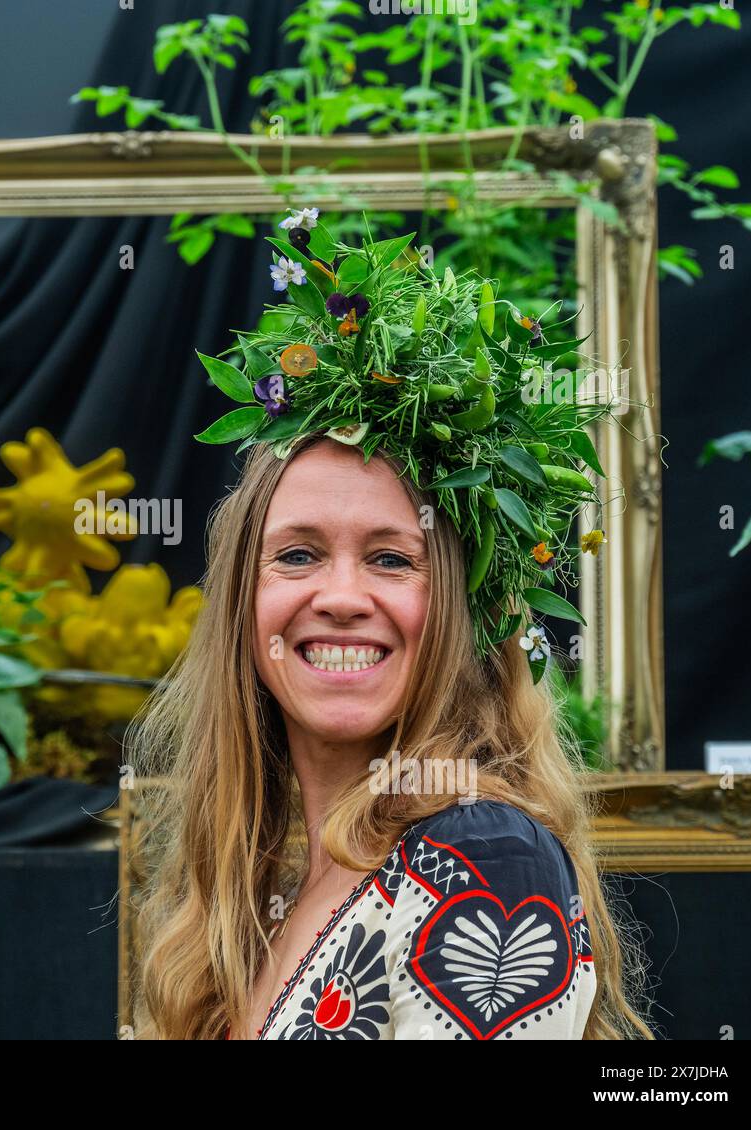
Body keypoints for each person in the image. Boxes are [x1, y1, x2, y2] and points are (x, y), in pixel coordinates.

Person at [123, 217, 655, 1040]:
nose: (339, 596)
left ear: (462, 610)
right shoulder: (283, 886)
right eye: (297, 555)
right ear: (240, 603)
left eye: (392, 559)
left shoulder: (484, 862)